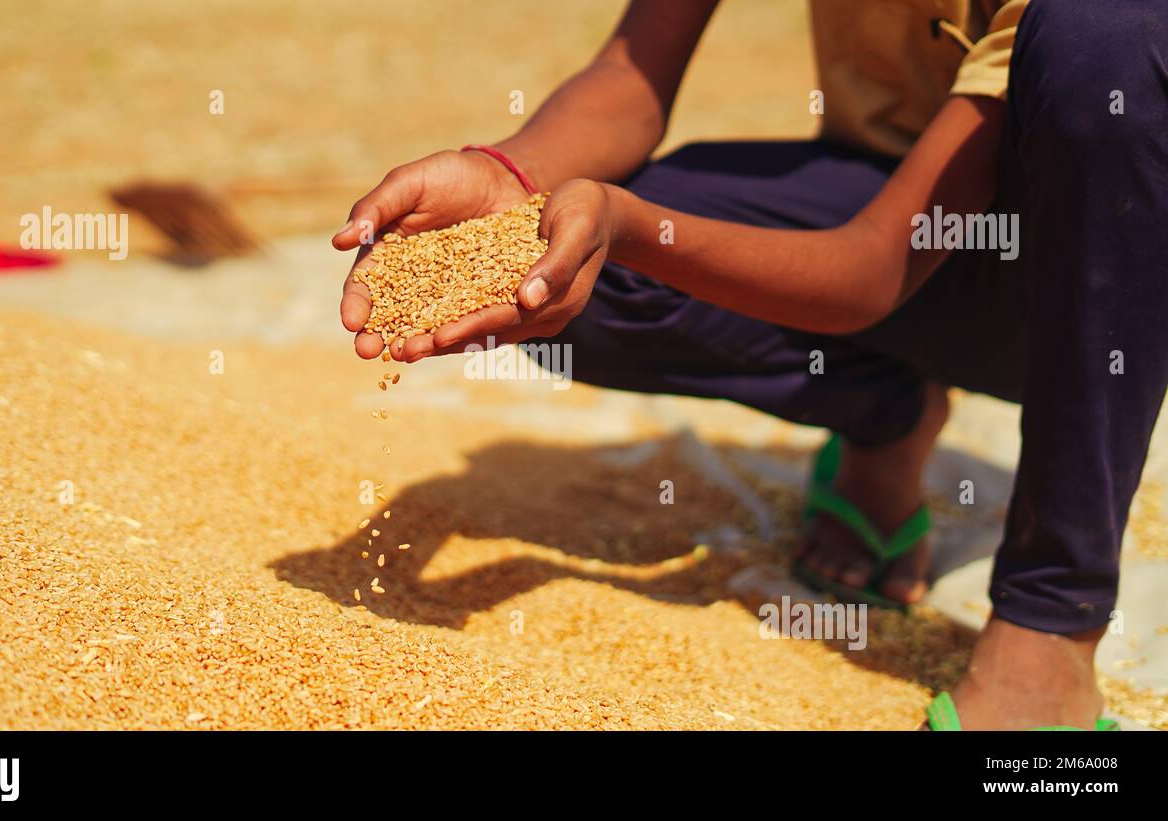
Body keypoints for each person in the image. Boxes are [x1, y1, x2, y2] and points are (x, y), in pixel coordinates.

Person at [334, 0, 1167, 729]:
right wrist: (509, 175)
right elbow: (632, 73)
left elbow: (870, 271)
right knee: (545, 266)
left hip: (1099, 274)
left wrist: (627, 224)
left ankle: (1052, 622)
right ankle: (884, 411)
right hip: (898, 207)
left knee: (1108, 28)